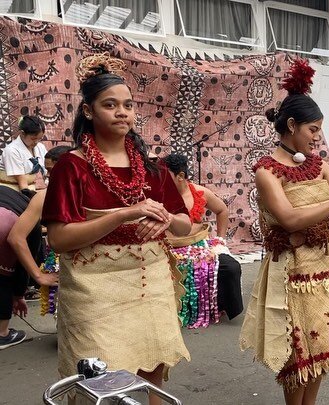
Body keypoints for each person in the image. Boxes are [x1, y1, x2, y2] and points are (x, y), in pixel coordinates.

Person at [42, 53, 192, 402]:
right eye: (110, 105)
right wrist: (124, 213)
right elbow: (60, 239)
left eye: (128, 105)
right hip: (94, 292)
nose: (122, 112)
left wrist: (167, 220)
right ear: (89, 112)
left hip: (150, 284)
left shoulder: (153, 168)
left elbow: (186, 224)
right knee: (99, 381)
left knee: (153, 372)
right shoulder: (71, 167)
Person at [239, 59, 329, 405]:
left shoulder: (321, 165)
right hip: (293, 272)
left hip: (327, 269)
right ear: (292, 125)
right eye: (313, 129)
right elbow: (289, 219)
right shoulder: (266, 171)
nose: (317, 137)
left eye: (319, 130)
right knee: (298, 357)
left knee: (324, 349)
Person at [163, 152, 244, 324]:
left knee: (230, 267)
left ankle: (223, 307)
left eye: (165, 177)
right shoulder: (157, 195)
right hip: (167, 250)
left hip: (198, 247)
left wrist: (221, 241)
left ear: (181, 176)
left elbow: (222, 210)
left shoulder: (199, 192)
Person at [7, 145, 72, 317]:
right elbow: (16, 237)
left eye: (51, 170)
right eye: (47, 170)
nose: (47, 176)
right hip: (64, 268)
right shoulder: (44, 196)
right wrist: (38, 275)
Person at [0, 187, 36, 349]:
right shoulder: (32, 211)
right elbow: (25, 262)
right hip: (3, 226)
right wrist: (19, 294)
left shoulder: (7, 191)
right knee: (3, 278)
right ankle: (2, 334)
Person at [0, 115, 47, 195]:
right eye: (33, 139)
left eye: (39, 139)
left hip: (40, 189)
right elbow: (23, 186)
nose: (36, 142)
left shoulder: (40, 147)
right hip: (17, 192)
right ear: (22, 133)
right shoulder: (12, 151)